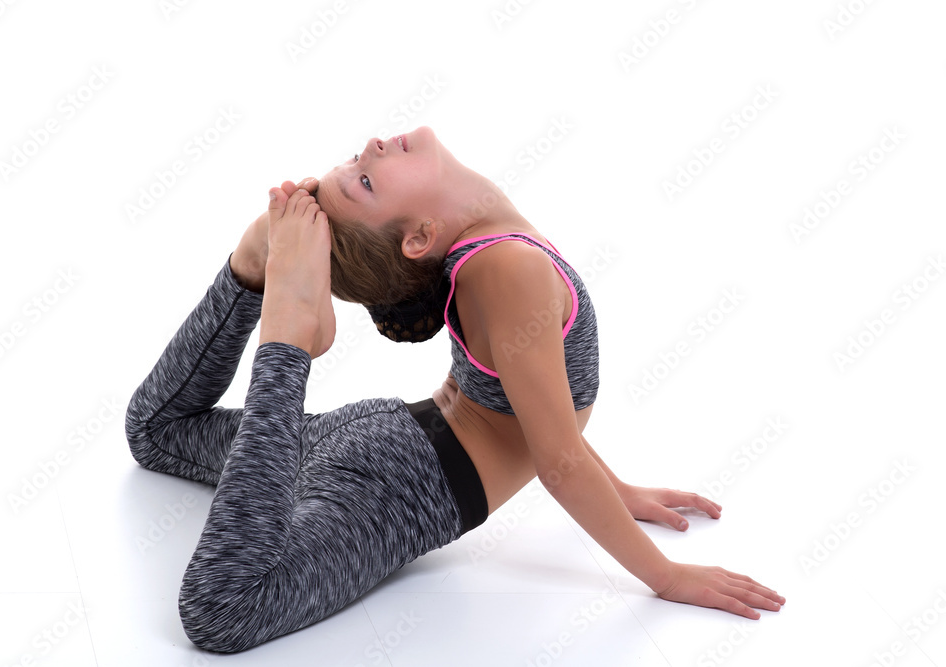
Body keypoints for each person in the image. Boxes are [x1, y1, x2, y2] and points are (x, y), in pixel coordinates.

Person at [125, 127, 784, 654]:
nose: (372, 147)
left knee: (158, 432)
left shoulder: (492, 254)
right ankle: (286, 321)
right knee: (223, 606)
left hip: (383, 445)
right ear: (418, 236)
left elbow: (532, 414)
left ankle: (255, 274)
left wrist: (621, 490)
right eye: (362, 178)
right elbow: (556, 460)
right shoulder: (507, 268)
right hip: (397, 487)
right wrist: (666, 576)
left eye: (356, 162)